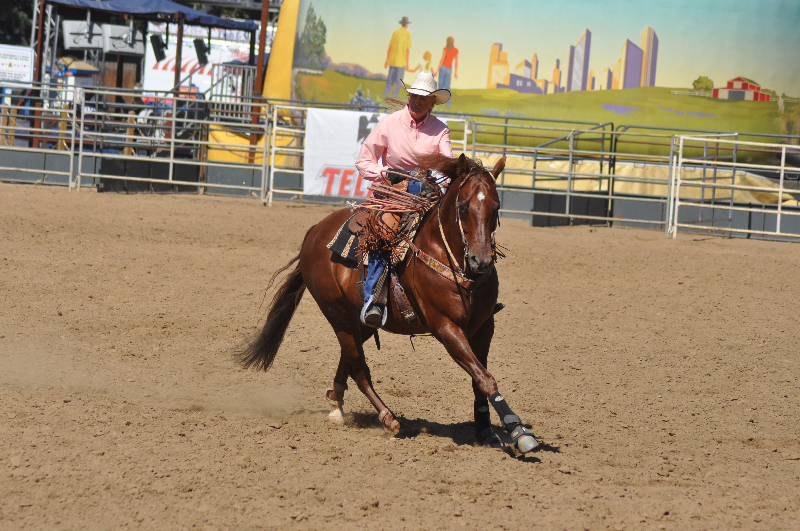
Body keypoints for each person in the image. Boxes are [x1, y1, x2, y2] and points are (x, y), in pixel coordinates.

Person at [356, 71, 452, 326]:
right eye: (413, 95)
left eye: (423, 98)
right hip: (392, 191)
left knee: (458, 226)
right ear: (409, 96)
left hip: (425, 191)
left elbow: (447, 168)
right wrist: (386, 172)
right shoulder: (389, 123)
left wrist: (448, 182)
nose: (417, 101)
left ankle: (474, 291)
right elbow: (364, 161)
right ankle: (373, 300)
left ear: (433, 102)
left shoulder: (441, 130)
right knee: (383, 231)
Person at [383, 16, 414, 99]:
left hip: (392, 61)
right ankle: (394, 100)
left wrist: (387, 60)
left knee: (389, 82)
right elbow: (407, 51)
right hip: (401, 63)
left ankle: (384, 100)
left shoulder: (395, 32)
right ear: (407, 25)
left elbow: (390, 47)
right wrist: (408, 64)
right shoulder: (408, 34)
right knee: (398, 83)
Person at [435, 37, 459, 108]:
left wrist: (437, 70)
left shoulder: (445, 49)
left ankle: (440, 104)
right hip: (449, 69)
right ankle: (448, 105)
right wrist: (455, 73)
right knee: (447, 87)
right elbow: (456, 62)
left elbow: (442, 60)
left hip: (443, 68)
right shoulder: (456, 50)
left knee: (441, 87)